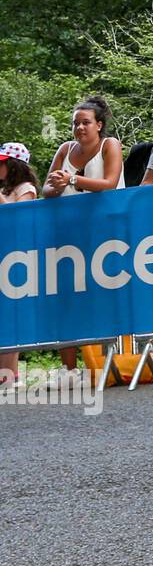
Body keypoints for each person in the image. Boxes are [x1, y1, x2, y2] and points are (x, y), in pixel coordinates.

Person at [42, 97, 125, 377]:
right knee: (66, 297)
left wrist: (73, 180)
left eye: (85, 122)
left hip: (107, 235)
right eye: (75, 123)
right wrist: (54, 186)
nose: (79, 127)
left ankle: (109, 364)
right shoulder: (65, 149)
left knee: (104, 295)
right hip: (69, 236)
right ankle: (69, 368)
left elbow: (110, 183)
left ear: (99, 125)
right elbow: (46, 189)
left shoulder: (109, 145)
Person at [0, 142, 39, 389]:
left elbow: (17, 219)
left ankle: (9, 374)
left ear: (13, 165)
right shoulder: (6, 188)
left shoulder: (26, 188)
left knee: (10, 313)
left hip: (16, 257)